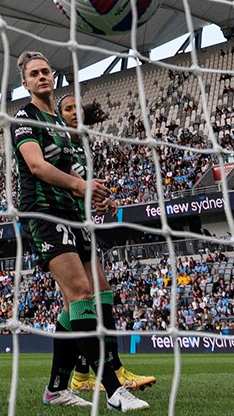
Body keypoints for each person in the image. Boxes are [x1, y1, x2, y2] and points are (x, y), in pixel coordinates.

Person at [11, 52, 147, 411]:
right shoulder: (24, 118)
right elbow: (37, 166)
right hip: (42, 212)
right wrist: (80, 185)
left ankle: (57, 388)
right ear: (25, 83)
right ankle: (114, 387)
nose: (42, 77)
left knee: (93, 294)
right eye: (34, 74)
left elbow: (77, 180)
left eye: (45, 72)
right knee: (81, 292)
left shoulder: (64, 124)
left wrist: (99, 197)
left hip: (73, 214)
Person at [57, 93, 156, 395]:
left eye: (77, 108)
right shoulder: (58, 144)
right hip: (59, 225)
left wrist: (103, 201)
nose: (75, 113)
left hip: (78, 222)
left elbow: (81, 189)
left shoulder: (80, 148)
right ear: (59, 116)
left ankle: (79, 374)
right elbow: (58, 184)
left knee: (79, 303)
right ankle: (112, 370)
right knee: (94, 295)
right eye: (68, 109)